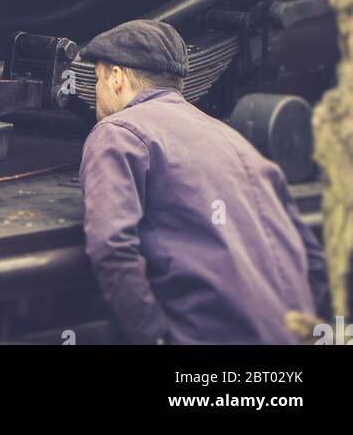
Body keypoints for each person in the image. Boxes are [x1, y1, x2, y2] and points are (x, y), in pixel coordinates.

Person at [78, 19, 328, 345]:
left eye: (97, 79)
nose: (95, 95)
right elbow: (314, 261)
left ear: (116, 77)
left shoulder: (119, 133)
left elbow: (112, 247)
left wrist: (153, 337)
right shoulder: (231, 138)